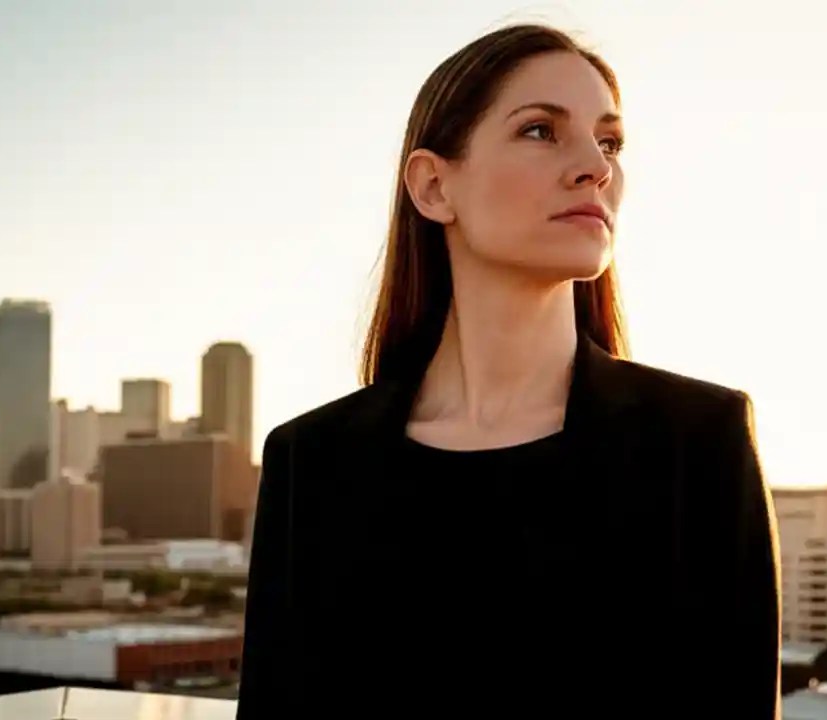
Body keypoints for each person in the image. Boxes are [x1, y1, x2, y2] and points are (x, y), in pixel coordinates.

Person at [237, 23, 781, 718]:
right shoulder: (310, 461)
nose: (595, 167)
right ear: (434, 186)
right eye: (540, 131)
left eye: (609, 142)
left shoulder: (699, 440)